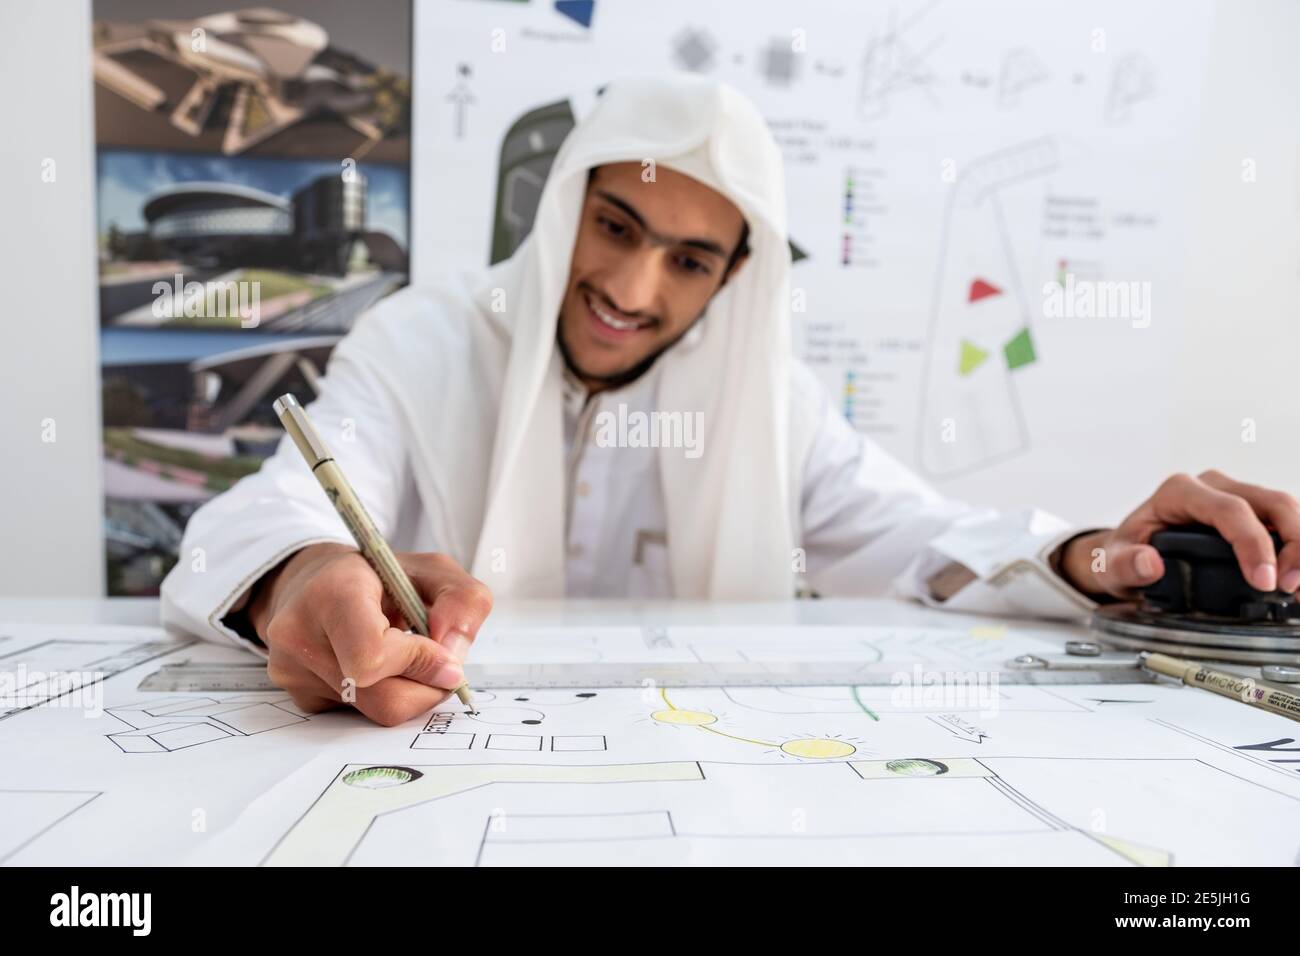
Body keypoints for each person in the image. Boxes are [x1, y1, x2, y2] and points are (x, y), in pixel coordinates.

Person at [160, 76, 1300, 726]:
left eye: (689, 261)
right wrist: (303, 577)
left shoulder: (768, 398)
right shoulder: (422, 336)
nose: (629, 289)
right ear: (564, 211)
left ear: (732, 279)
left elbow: (925, 540)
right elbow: (269, 509)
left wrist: (1103, 556)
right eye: (613, 228)